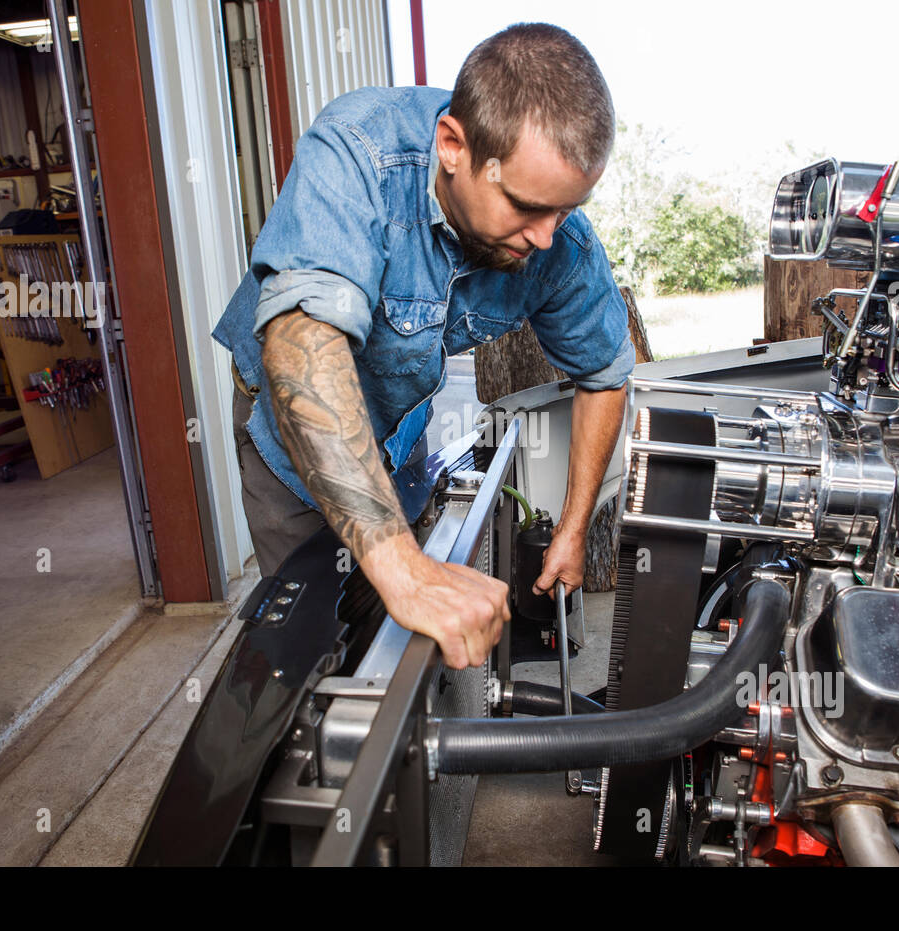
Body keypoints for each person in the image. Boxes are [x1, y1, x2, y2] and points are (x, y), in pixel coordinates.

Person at [211, 22, 634, 671]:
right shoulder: (359, 147)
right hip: (292, 440)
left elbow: (604, 375)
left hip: (402, 428)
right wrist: (405, 572)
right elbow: (302, 345)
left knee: (389, 631)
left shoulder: (557, 239)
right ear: (453, 147)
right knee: (306, 646)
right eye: (526, 207)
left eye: (566, 210)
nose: (547, 238)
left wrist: (574, 529)